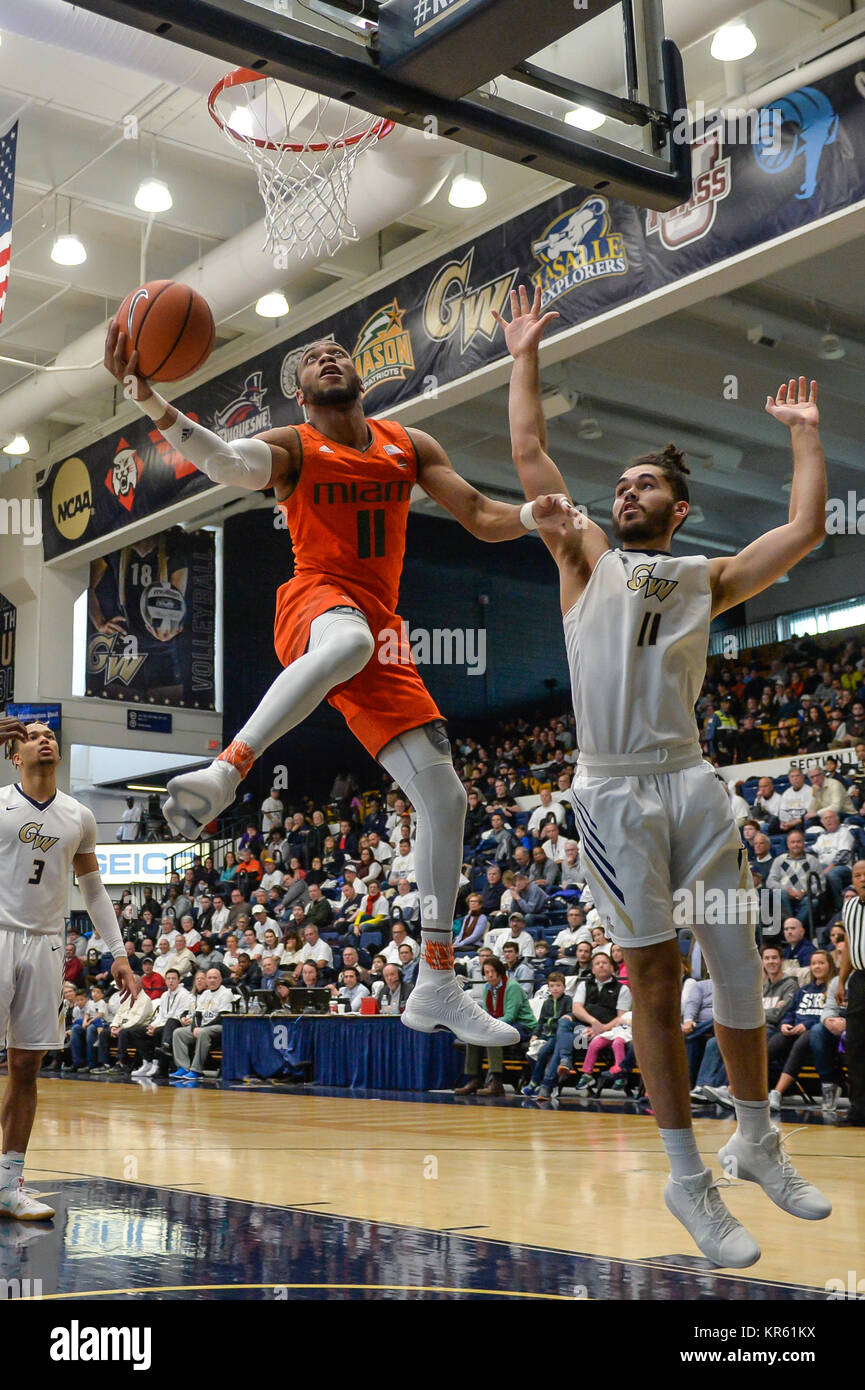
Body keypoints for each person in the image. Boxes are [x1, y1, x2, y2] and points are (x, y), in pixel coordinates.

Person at [105, 321, 576, 1051]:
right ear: (300, 393)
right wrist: (153, 403)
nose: (329, 357)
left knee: (445, 796)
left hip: (379, 627)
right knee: (348, 638)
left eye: (338, 352)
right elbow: (229, 462)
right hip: (315, 602)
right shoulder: (296, 445)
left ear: (359, 377)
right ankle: (228, 770)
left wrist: (527, 514)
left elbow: (480, 515)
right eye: (314, 359)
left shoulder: (407, 444)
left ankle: (436, 980)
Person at [497, 282, 830, 1265]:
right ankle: (688, 1180)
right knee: (652, 972)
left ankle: (756, 1140)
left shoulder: (706, 575)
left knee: (734, 956)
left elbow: (806, 531)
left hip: (689, 779)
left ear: (677, 509)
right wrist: (524, 355)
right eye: (622, 483)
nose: (624, 491)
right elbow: (528, 456)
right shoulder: (584, 558)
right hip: (610, 788)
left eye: (645, 485)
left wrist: (803, 433)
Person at [0, 718, 138, 1219]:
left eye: (50, 733)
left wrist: (118, 952)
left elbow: (94, 890)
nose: (45, 738)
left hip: (46, 944)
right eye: (33, 734)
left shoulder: (79, 815)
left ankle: (8, 1183)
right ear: (15, 754)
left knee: (26, 1067)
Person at [454, 955, 536, 1098]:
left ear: (499, 971)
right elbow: (486, 1012)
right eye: (486, 972)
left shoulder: (512, 987)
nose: (490, 975)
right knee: (474, 1036)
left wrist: (490, 1025)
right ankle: (475, 1079)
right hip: (501, 1023)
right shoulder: (487, 988)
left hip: (523, 1026)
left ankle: (496, 1082)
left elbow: (510, 1016)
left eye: (492, 971)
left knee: (492, 1035)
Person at [768, 951, 836, 1110]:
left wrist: (808, 1024)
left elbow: (832, 1014)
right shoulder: (804, 990)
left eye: (821, 963)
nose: (816, 967)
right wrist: (785, 1024)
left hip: (818, 1034)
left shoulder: (832, 989)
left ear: (830, 965)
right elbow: (790, 1012)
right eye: (813, 963)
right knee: (776, 1041)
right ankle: (737, 1090)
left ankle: (777, 1093)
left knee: (803, 1040)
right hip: (795, 1031)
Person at [170, 967, 235, 1080]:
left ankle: (197, 1070)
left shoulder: (226, 993)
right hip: (203, 1027)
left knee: (203, 1032)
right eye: (209, 978)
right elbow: (197, 1015)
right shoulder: (205, 994)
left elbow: (222, 1017)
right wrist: (195, 1027)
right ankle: (183, 1067)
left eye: (215, 978)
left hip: (220, 1027)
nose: (212, 980)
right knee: (178, 1033)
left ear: (220, 980)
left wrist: (201, 1028)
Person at [840, 859, 865, 1126]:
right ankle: (858, 1109)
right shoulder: (849, 907)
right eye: (858, 875)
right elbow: (849, 944)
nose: (862, 879)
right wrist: (841, 980)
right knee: (856, 1046)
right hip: (859, 980)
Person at [521, 973, 571, 1097]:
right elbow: (541, 1021)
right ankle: (538, 1081)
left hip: (557, 1035)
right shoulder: (547, 1003)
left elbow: (569, 1014)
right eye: (552, 986)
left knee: (543, 1052)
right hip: (545, 1034)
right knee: (531, 1054)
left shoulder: (567, 1000)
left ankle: (534, 1082)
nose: (555, 988)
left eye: (558, 985)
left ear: (564, 987)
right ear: (548, 987)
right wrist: (535, 1035)